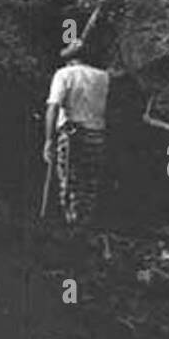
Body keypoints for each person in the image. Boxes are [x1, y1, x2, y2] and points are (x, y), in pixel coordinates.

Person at [44, 36, 110, 226]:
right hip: (97, 134)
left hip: (73, 135)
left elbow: (53, 108)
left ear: (70, 59)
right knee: (89, 185)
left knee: (70, 183)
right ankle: (85, 225)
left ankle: (72, 226)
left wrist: (49, 140)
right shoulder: (102, 76)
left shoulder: (64, 74)